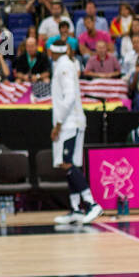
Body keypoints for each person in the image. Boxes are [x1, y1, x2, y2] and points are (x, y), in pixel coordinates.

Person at [48, 38, 103, 225]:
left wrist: (58, 123)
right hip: (72, 122)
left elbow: (70, 96)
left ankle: (91, 203)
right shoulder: (66, 64)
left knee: (67, 163)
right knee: (71, 164)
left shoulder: (63, 67)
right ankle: (76, 209)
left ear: (52, 51)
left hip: (69, 123)